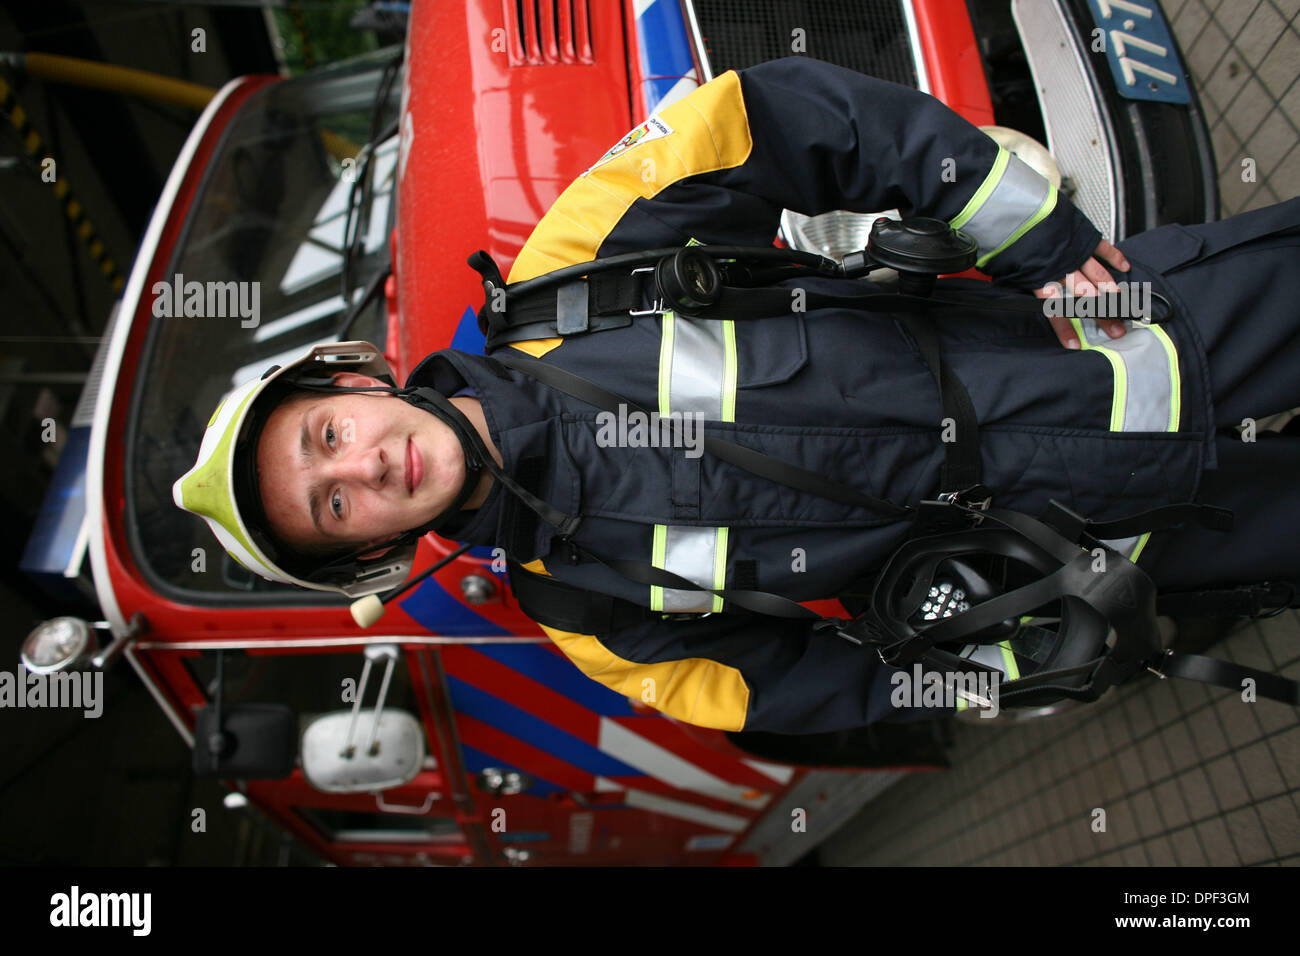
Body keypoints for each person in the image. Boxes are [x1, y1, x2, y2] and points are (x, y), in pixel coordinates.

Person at [175, 58, 1300, 734]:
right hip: (1136, 539)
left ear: (357, 377)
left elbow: (784, 115)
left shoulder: (578, 265)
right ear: (374, 552)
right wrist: (1009, 666)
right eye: (333, 504)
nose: (363, 465)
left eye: (328, 434)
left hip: (1120, 338)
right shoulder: (593, 618)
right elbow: (834, 688)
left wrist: (1037, 240)